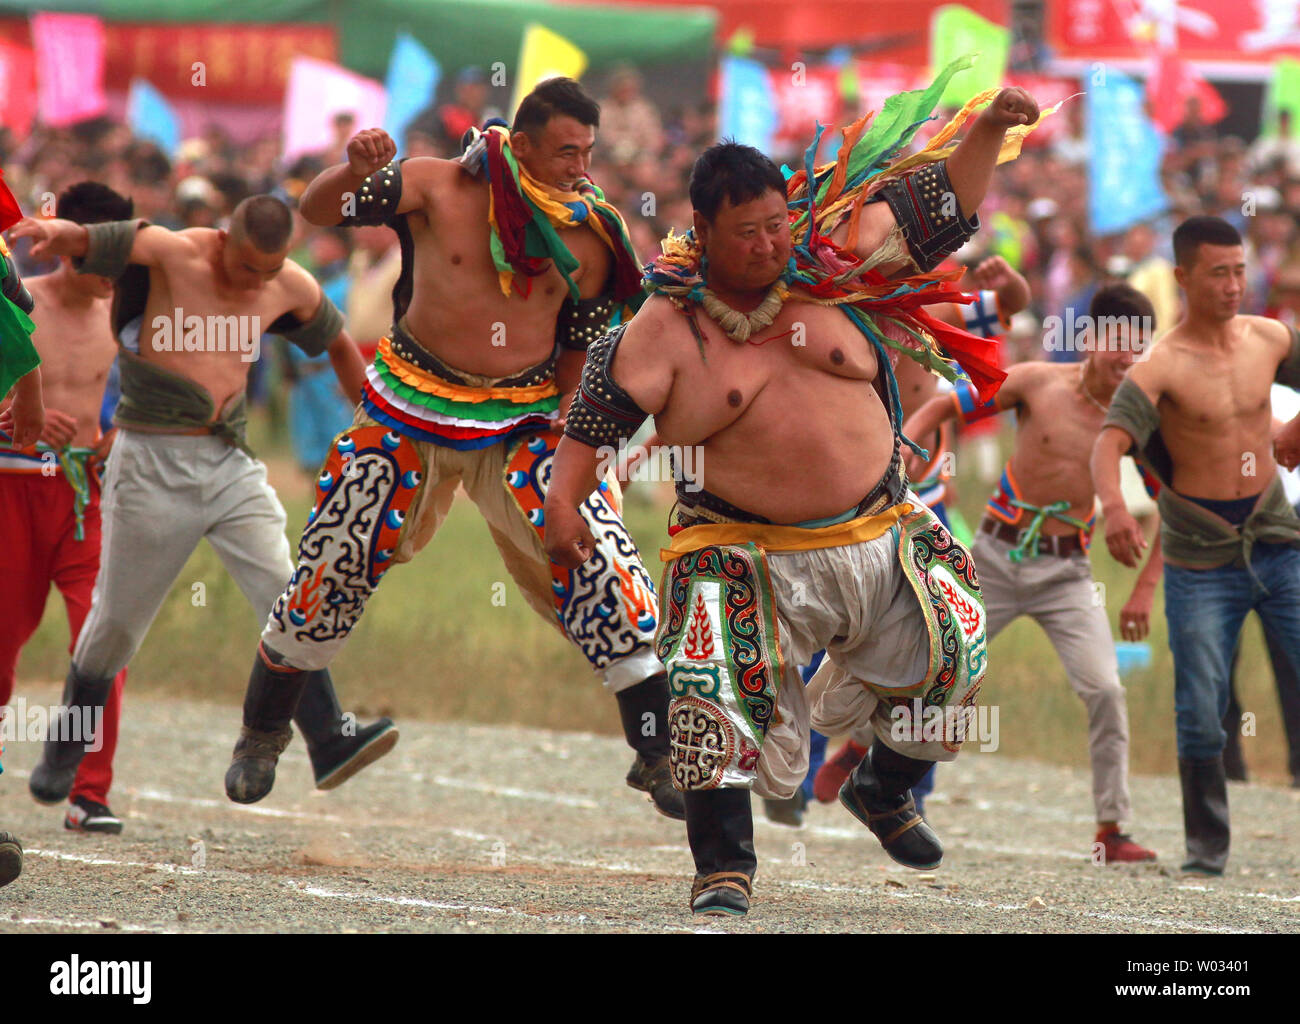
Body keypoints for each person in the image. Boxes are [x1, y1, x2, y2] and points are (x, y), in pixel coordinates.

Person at [546, 82, 1043, 915]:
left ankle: (883, 789)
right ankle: (724, 869)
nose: (770, 244)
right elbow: (593, 420)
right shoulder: (666, 329)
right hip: (740, 553)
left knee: (957, 652)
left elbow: (941, 204)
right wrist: (564, 508)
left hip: (880, 526)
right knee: (708, 701)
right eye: (748, 234)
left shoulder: (837, 262)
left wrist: (989, 126)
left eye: (779, 224)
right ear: (702, 232)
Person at [224, 78, 684, 819]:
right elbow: (316, 210)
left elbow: (576, 350)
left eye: (588, 152)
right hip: (408, 401)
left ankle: (657, 754)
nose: (580, 165)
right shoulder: (435, 185)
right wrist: (353, 168)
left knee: (603, 564)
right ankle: (262, 733)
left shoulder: (592, 233)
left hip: (525, 418)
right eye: (566, 150)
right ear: (525, 143)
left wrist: (574, 437)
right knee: (337, 553)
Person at [8, 194, 397, 807]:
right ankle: (67, 742)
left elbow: (341, 346)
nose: (255, 284)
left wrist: (377, 429)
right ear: (223, 240)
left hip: (228, 462)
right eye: (246, 268)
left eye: (268, 272)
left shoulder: (286, 282)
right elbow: (106, 238)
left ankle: (318, 738)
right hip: (149, 463)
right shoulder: (177, 251)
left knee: (288, 592)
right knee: (114, 624)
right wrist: (57, 232)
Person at [904, 284, 1160, 862]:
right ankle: (877, 771)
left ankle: (1111, 829)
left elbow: (1175, 500)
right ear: (1090, 339)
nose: (1126, 357)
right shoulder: (1038, 382)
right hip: (995, 558)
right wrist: (905, 444)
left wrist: (1144, 587)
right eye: (1117, 342)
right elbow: (948, 404)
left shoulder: (1139, 420)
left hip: (1069, 573)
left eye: (1138, 348)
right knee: (931, 666)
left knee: (1105, 690)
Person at [1092, 215, 1300, 875]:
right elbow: (1109, 442)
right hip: (1200, 560)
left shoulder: (1269, 337)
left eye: (1240, 271)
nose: (1235, 285)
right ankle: (1207, 845)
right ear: (1183, 277)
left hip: (1277, 542)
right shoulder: (1161, 365)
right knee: (1202, 705)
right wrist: (1118, 507)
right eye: (1219, 273)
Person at [811, 255, 1031, 814]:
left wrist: (1011, 285)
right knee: (827, 632)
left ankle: (902, 788)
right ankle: (804, 773)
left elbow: (1007, 309)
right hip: (843, 498)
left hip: (920, 499)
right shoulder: (827, 312)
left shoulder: (930, 312)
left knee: (940, 639)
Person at [0, 183, 134, 834]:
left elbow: (163, 385)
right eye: (99, 250)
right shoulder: (20, 303)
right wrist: (18, 417)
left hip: (87, 497)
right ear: (68, 246)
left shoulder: (129, 312)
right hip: (14, 486)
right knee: (1, 646)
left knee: (102, 635)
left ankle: (90, 791)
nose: (112, 268)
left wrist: (122, 433)